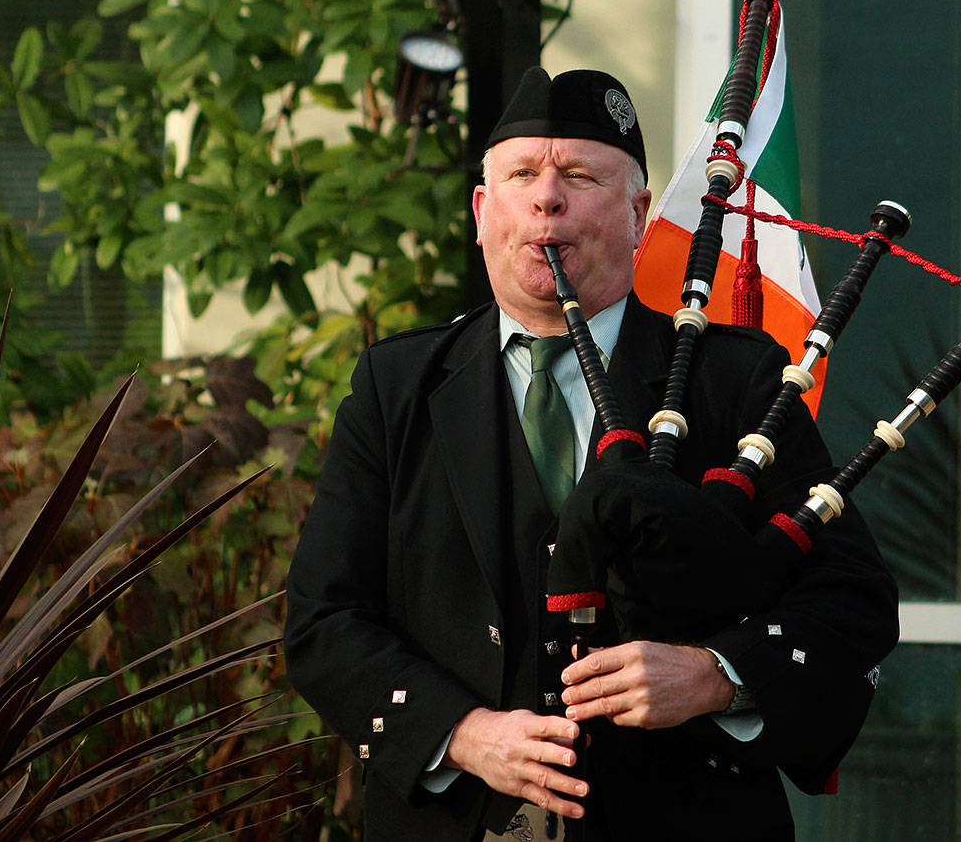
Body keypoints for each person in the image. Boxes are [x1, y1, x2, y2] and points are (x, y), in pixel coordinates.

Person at [283, 67, 898, 841]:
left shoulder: (734, 381)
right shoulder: (395, 386)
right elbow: (324, 618)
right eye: (521, 175)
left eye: (579, 176)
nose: (547, 198)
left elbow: (852, 599)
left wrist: (714, 675)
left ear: (639, 215)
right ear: (481, 213)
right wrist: (464, 734)